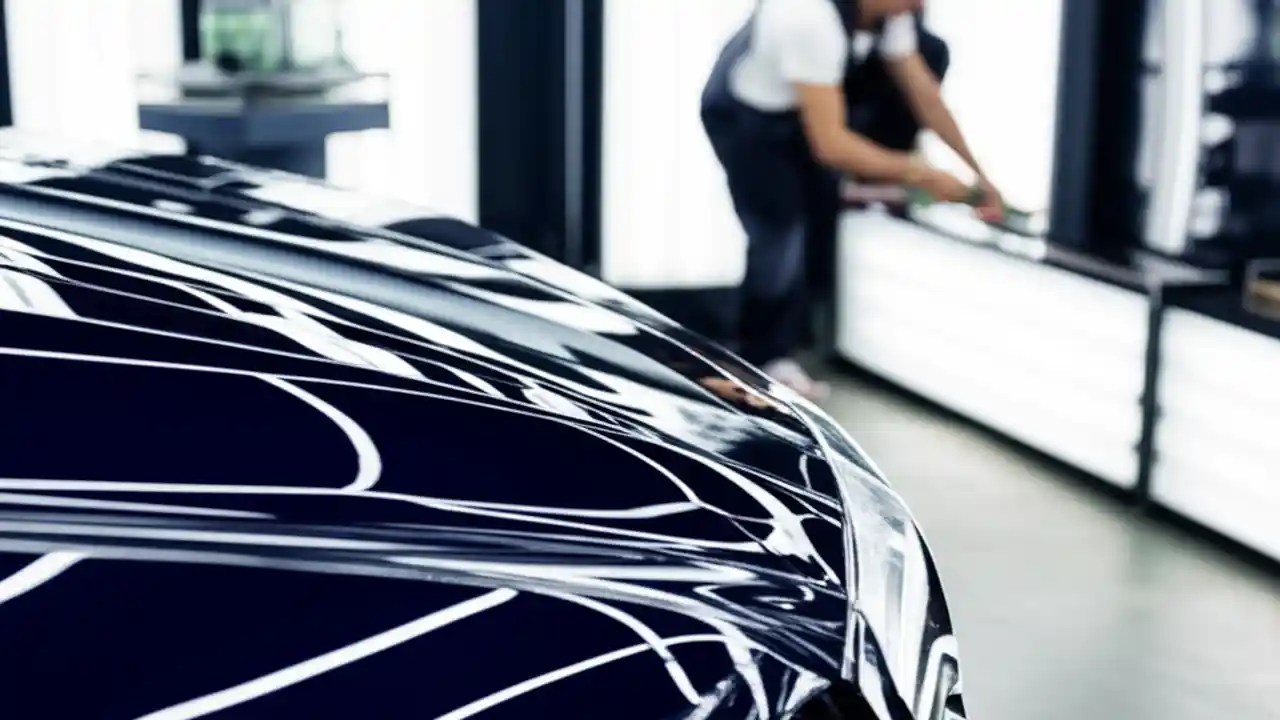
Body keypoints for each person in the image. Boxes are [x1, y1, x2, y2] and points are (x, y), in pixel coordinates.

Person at [701, 0, 1003, 399]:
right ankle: (756, 361)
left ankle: (788, 342)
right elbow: (829, 144)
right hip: (747, 117)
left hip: (803, 113)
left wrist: (980, 176)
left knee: (933, 50)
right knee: (779, 230)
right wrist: (922, 174)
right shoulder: (807, 17)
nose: (920, 4)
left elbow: (922, 92)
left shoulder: (890, 14)